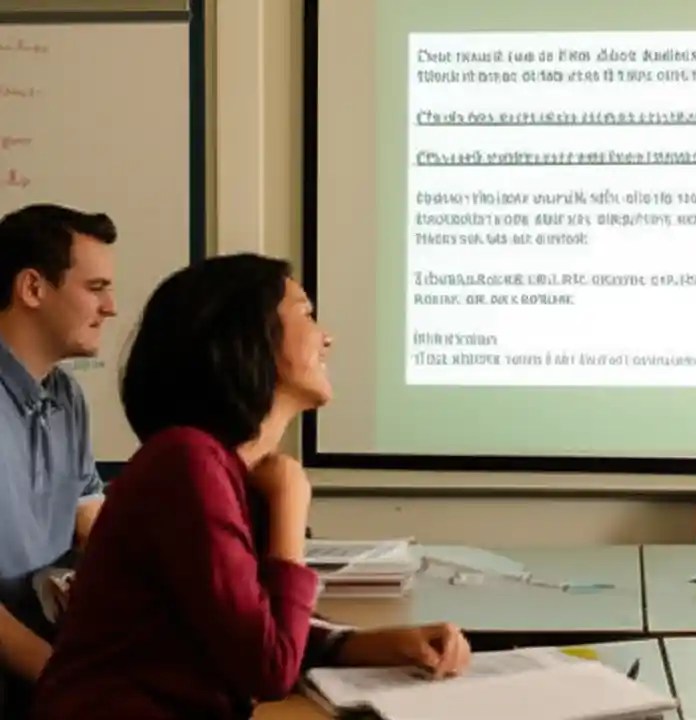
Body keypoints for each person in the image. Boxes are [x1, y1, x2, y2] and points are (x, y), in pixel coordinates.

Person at [29, 254, 471, 719]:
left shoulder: (214, 465)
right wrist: (289, 504)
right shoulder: (186, 463)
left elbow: (246, 623)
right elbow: (267, 668)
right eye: (306, 313)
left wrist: (364, 644)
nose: (327, 338)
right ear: (250, 337)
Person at [0, 205, 117, 719]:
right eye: (95, 288)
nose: (110, 307)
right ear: (32, 288)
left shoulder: (66, 396)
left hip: (46, 654)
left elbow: (92, 522)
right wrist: (70, 686)